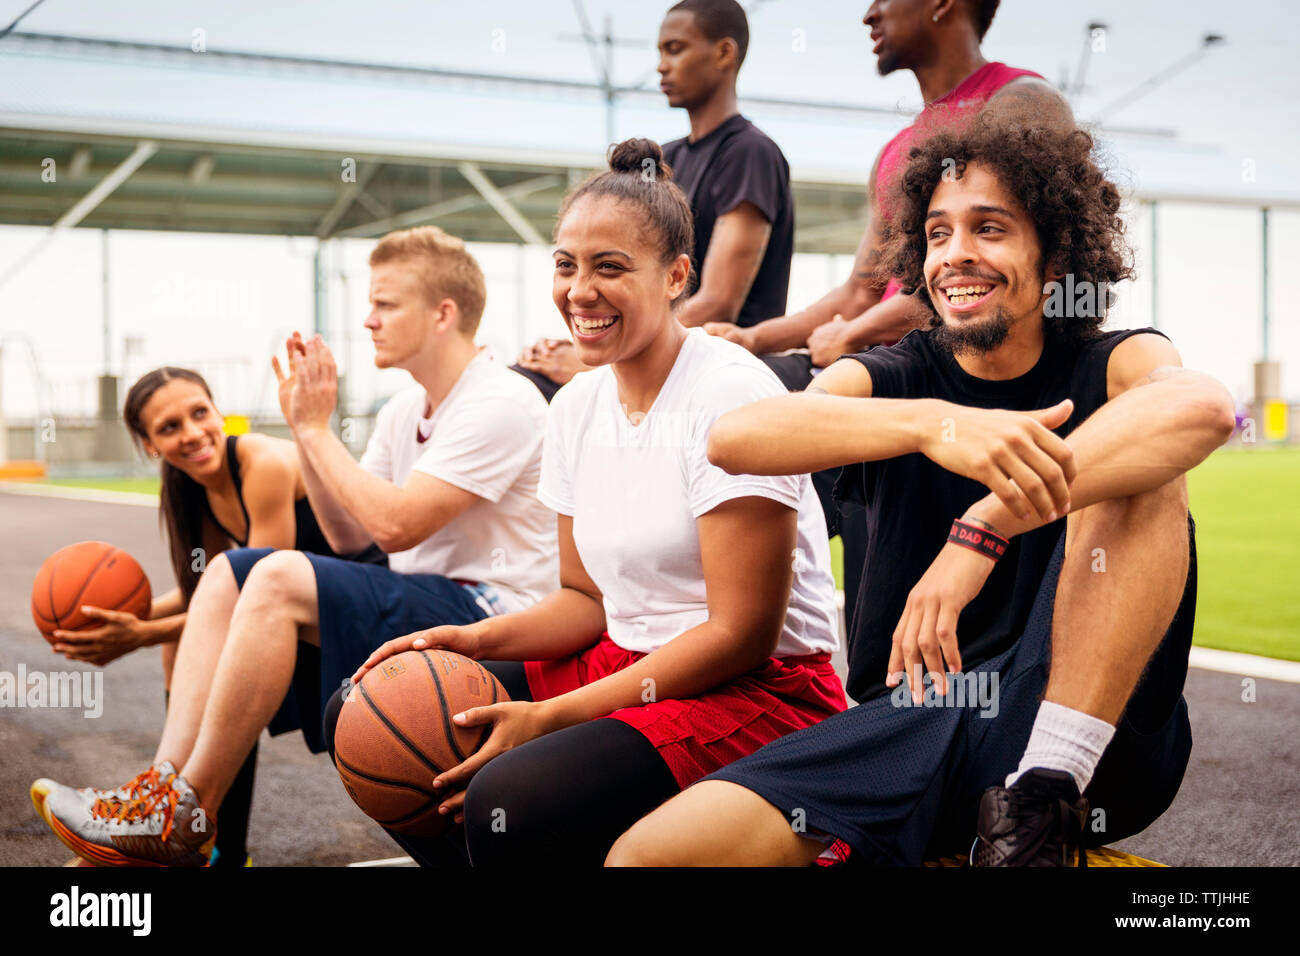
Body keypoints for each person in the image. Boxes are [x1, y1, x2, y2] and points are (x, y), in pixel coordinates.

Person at [606, 119, 1235, 866]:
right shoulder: (901, 375)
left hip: (1093, 728)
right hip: (917, 718)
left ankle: (1043, 799)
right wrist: (935, 426)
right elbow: (738, 436)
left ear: (1056, 251)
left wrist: (988, 523)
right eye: (938, 234)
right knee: (650, 857)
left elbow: (1201, 407)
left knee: (1140, 456)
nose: (956, 253)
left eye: (990, 228)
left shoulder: (1113, 361)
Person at [335, 138, 844, 868]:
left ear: (675, 277)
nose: (581, 290)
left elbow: (742, 634)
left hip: (755, 690)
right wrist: (467, 640)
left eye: (611, 267)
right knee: (366, 719)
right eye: (566, 265)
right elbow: (584, 598)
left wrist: (550, 717)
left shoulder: (729, 392)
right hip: (623, 653)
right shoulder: (575, 405)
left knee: (510, 795)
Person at [32, 226, 559, 867]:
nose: (367, 320)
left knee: (275, 577)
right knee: (230, 573)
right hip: (431, 601)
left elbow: (396, 529)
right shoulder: (404, 411)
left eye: (385, 304)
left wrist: (313, 427)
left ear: (442, 313)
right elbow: (351, 536)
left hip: (497, 616)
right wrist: (310, 433)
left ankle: (188, 812)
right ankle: (163, 795)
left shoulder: (500, 398)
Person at [46, 367, 382, 867]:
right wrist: (112, 619)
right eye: (169, 427)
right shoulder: (192, 486)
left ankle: (179, 827)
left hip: (358, 613)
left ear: (217, 410)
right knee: (177, 642)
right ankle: (186, 832)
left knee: (197, 645)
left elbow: (251, 597)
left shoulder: (262, 464)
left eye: (199, 413)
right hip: (299, 615)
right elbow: (207, 595)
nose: (192, 432)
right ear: (148, 444)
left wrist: (136, 634)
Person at [513, 0, 794, 400]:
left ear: (723, 53)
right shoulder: (664, 159)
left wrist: (603, 355)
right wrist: (581, 340)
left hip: (712, 363)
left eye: (675, 49)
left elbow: (717, 303)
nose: (661, 65)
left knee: (524, 390)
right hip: (644, 348)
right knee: (518, 376)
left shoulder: (749, 153)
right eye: (660, 51)